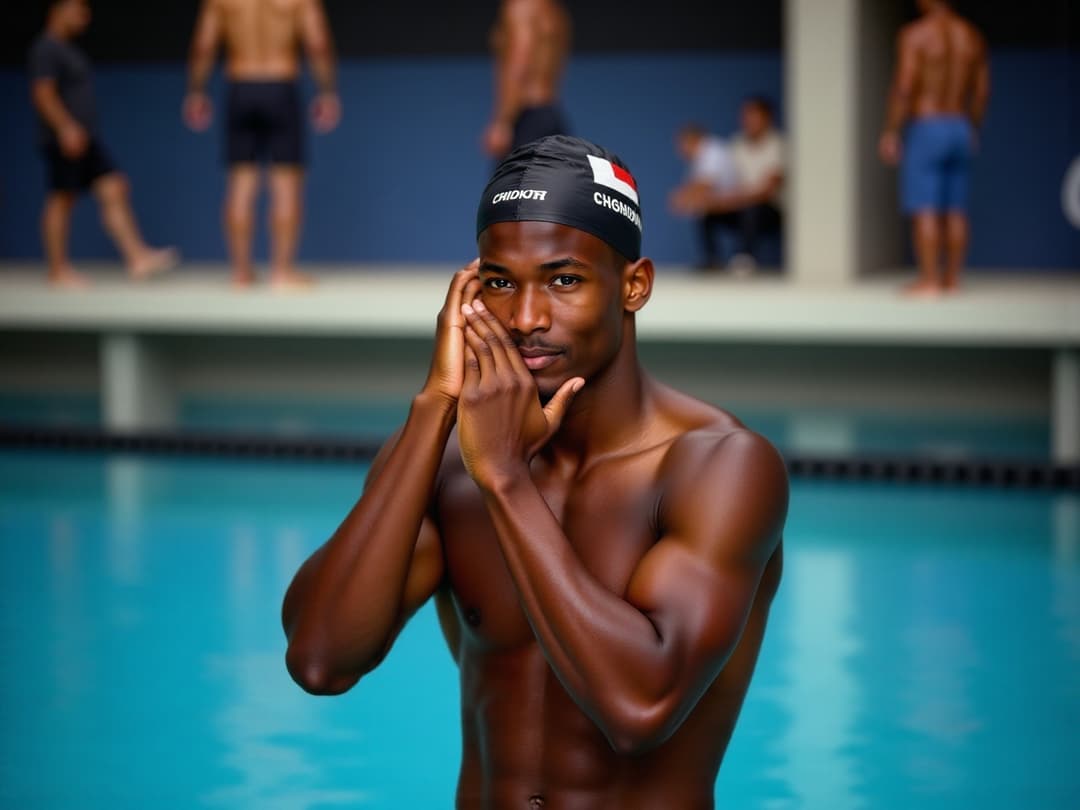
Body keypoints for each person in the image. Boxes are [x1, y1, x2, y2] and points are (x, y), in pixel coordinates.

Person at [282, 136, 788, 808]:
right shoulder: (444, 468)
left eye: (564, 280)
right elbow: (320, 661)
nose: (525, 318)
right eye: (499, 283)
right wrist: (435, 409)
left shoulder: (718, 467)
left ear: (634, 286)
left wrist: (508, 481)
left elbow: (639, 709)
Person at [183, 0, 341, 288]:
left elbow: (203, 46)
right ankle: (282, 273)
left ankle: (241, 273)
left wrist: (196, 91)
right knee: (286, 182)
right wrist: (327, 91)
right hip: (281, 86)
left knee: (240, 180)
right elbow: (318, 44)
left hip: (240, 87)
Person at [29, 0, 178, 288]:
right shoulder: (45, 48)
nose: (85, 17)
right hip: (66, 137)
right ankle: (57, 271)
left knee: (114, 187)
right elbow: (42, 94)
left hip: (86, 138)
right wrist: (65, 127)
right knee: (61, 199)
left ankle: (137, 257)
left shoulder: (68, 48)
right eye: (78, 10)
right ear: (57, 9)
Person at [879, 0, 989, 297]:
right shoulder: (970, 35)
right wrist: (972, 128)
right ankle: (952, 279)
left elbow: (904, 85)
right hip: (959, 124)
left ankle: (929, 280)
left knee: (925, 206)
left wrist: (891, 131)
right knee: (955, 207)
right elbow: (980, 91)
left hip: (927, 124)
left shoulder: (916, 35)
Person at [670, 98, 784, 273]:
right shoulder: (737, 144)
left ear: (767, 117)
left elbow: (767, 191)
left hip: (769, 210)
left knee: (752, 209)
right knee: (706, 210)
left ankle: (745, 258)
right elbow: (724, 181)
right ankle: (712, 260)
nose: (747, 120)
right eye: (745, 116)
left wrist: (729, 201)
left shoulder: (778, 144)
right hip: (737, 203)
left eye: (753, 116)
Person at [483, 0, 571, 159]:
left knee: (510, 183)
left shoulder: (520, 7)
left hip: (526, 119)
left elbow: (519, 65)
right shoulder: (552, 9)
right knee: (554, 182)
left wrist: (502, 122)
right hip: (550, 115)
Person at [670, 123, 740, 270]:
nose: (680, 150)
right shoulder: (699, 158)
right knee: (703, 212)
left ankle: (742, 258)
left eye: (682, 144)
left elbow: (706, 184)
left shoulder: (712, 151)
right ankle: (712, 260)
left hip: (740, 205)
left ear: (692, 140)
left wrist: (681, 198)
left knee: (704, 211)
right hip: (722, 204)